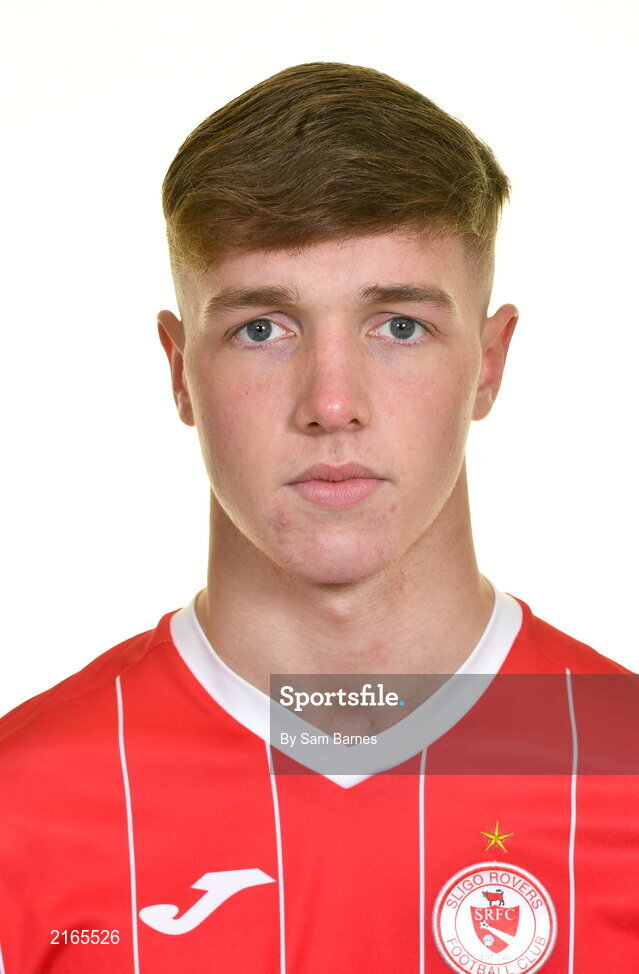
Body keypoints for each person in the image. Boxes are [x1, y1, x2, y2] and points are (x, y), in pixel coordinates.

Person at [1, 61, 637, 974]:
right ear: (179, 371)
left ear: (489, 363)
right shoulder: (17, 817)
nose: (331, 403)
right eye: (264, 328)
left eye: (399, 326)